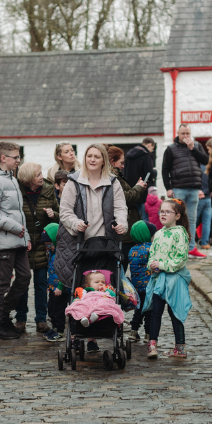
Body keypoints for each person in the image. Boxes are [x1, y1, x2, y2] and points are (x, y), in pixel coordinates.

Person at [56, 143, 128, 351]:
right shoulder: (74, 182)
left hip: (105, 244)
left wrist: (122, 224)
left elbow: (120, 208)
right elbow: (65, 211)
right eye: (89, 156)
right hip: (80, 244)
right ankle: (85, 336)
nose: (93, 159)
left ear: (104, 160)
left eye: (97, 156)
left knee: (103, 288)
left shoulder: (113, 183)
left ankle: (102, 329)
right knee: (82, 287)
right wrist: (74, 223)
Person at [0, 142, 31, 340]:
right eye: (15, 157)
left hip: (17, 241)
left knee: (25, 277)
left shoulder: (11, 179)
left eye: (19, 157)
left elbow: (18, 213)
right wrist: (17, 228)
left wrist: (24, 236)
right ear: (3, 158)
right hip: (3, 241)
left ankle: (2, 316)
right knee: (1, 284)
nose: (18, 161)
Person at [14, 161, 59, 337]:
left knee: (41, 284)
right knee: (22, 283)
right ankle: (20, 319)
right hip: (22, 244)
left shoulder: (48, 192)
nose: (42, 177)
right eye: (38, 175)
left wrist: (53, 215)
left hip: (42, 244)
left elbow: (60, 214)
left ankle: (41, 320)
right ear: (28, 179)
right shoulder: (17, 192)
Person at [143, 198, 192, 358]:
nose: (163, 214)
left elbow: (181, 258)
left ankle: (180, 347)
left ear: (177, 215)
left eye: (167, 212)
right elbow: (152, 253)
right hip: (158, 280)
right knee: (155, 312)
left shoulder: (180, 233)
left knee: (175, 313)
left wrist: (162, 264)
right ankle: (152, 345)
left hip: (174, 281)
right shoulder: (158, 233)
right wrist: (151, 264)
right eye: (161, 211)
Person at [161, 124, 208, 254]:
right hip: (178, 188)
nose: (186, 136)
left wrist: (193, 148)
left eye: (188, 133)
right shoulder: (171, 149)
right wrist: (168, 188)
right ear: (178, 133)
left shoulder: (196, 146)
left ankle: (191, 247)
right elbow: (165, 169)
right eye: (183, 134)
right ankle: (176, 247)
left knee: (192, 219)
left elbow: (205, 160)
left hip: (194, 188)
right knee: (176, 218)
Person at [108, 146, 147, 266]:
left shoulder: (116, 177)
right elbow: (125, 199)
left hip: (125, 228)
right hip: (122, 231)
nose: (123, 166)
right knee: (121, 265)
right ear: (112, 162)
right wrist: (138, 188)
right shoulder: (113, 178)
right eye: (121, 163)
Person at [126, 220, 156, 340]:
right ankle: (148, 333)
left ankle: (133, 331)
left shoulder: (132, 249)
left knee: (139, 309)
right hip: (149, 286)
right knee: (149, 310)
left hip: (137, 286)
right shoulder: (151, 249)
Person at [43, 222, 67, 343]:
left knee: (58, 310)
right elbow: (51, 272)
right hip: (53, 288)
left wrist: (60, 286)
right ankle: (54, 327)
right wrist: (49, 285)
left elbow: (64, 272)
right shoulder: (52, 253)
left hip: (60, 289)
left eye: (49, 244)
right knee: (51, 309)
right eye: (46, 245)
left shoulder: (62, 254)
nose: (48, 247)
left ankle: (60, 330)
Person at [124, 138, 157, 221]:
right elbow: (149, 173)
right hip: (142, 189)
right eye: (152, 149)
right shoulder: (146, 154)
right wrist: (155, 172)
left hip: (130, 188)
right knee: (143, 215)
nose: (151, 151)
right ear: (150, 145)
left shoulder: (129, 153)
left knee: (132, 215)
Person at [196, 171, 212, 252]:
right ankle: (204, 243)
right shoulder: (209, 168)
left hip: (199, 197)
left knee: (193, 221)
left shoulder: (197, 167)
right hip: (208, 198)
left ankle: (189, 241)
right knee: (207, 222)